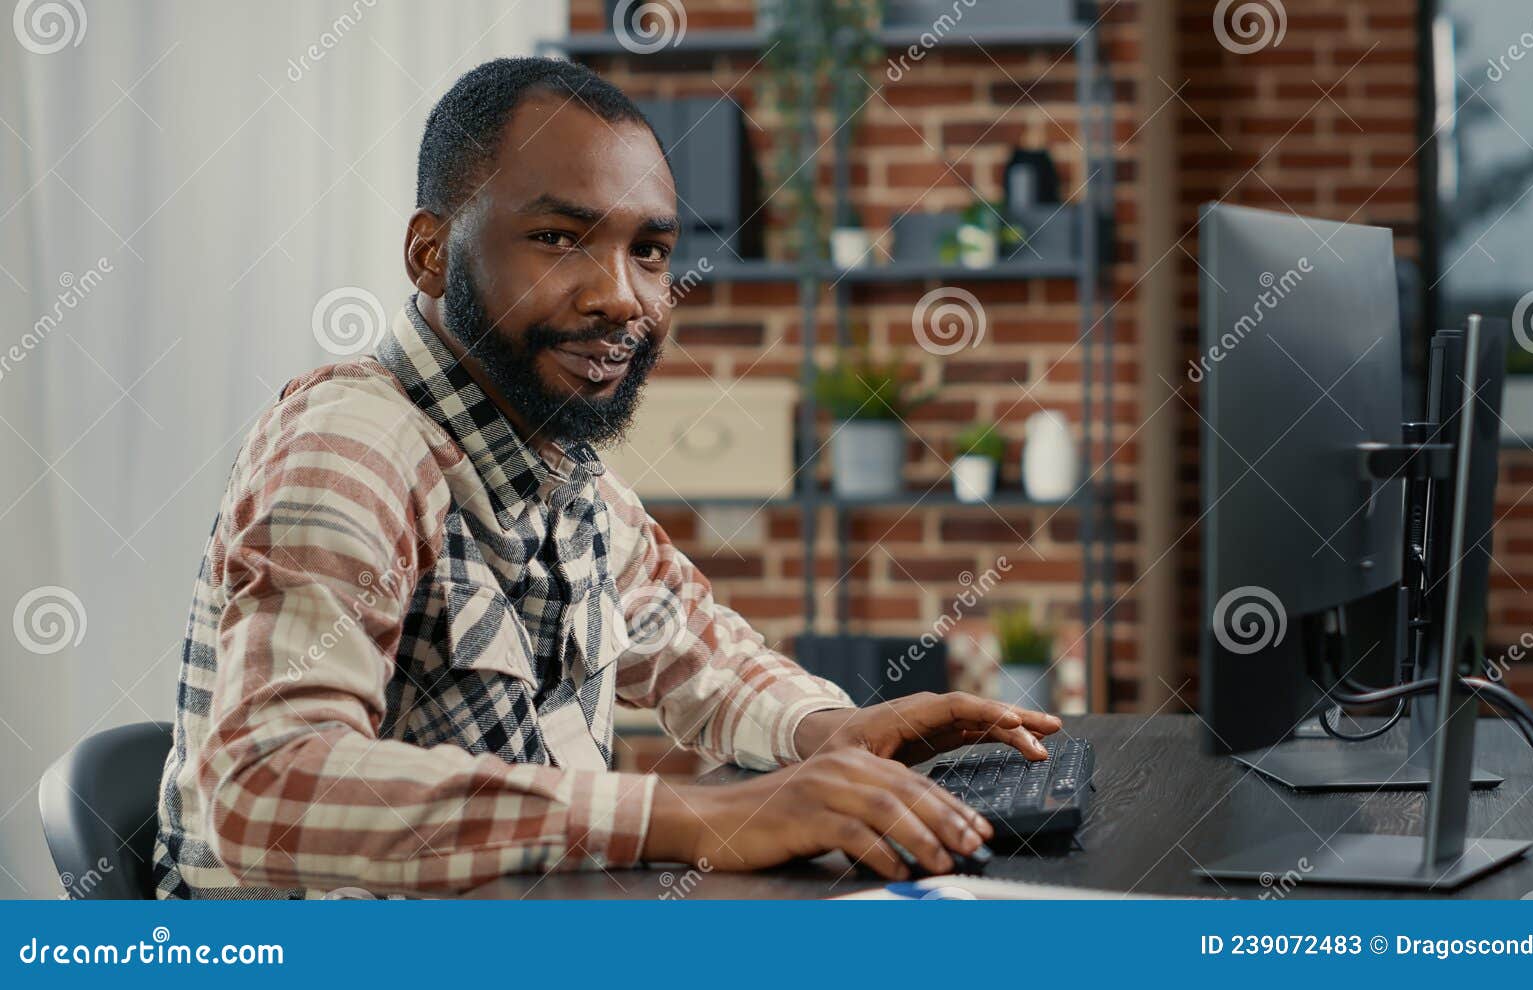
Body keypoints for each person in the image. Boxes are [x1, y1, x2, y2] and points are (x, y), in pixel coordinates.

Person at [152, 56, 1060, 899]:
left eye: (650, 252)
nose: (622, 296)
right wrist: (687, 816)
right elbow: (263, 781)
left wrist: (835, 734)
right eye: (558, 237)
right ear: (431, 252)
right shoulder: (350, 447)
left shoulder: (557, 469)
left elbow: (707, 658)